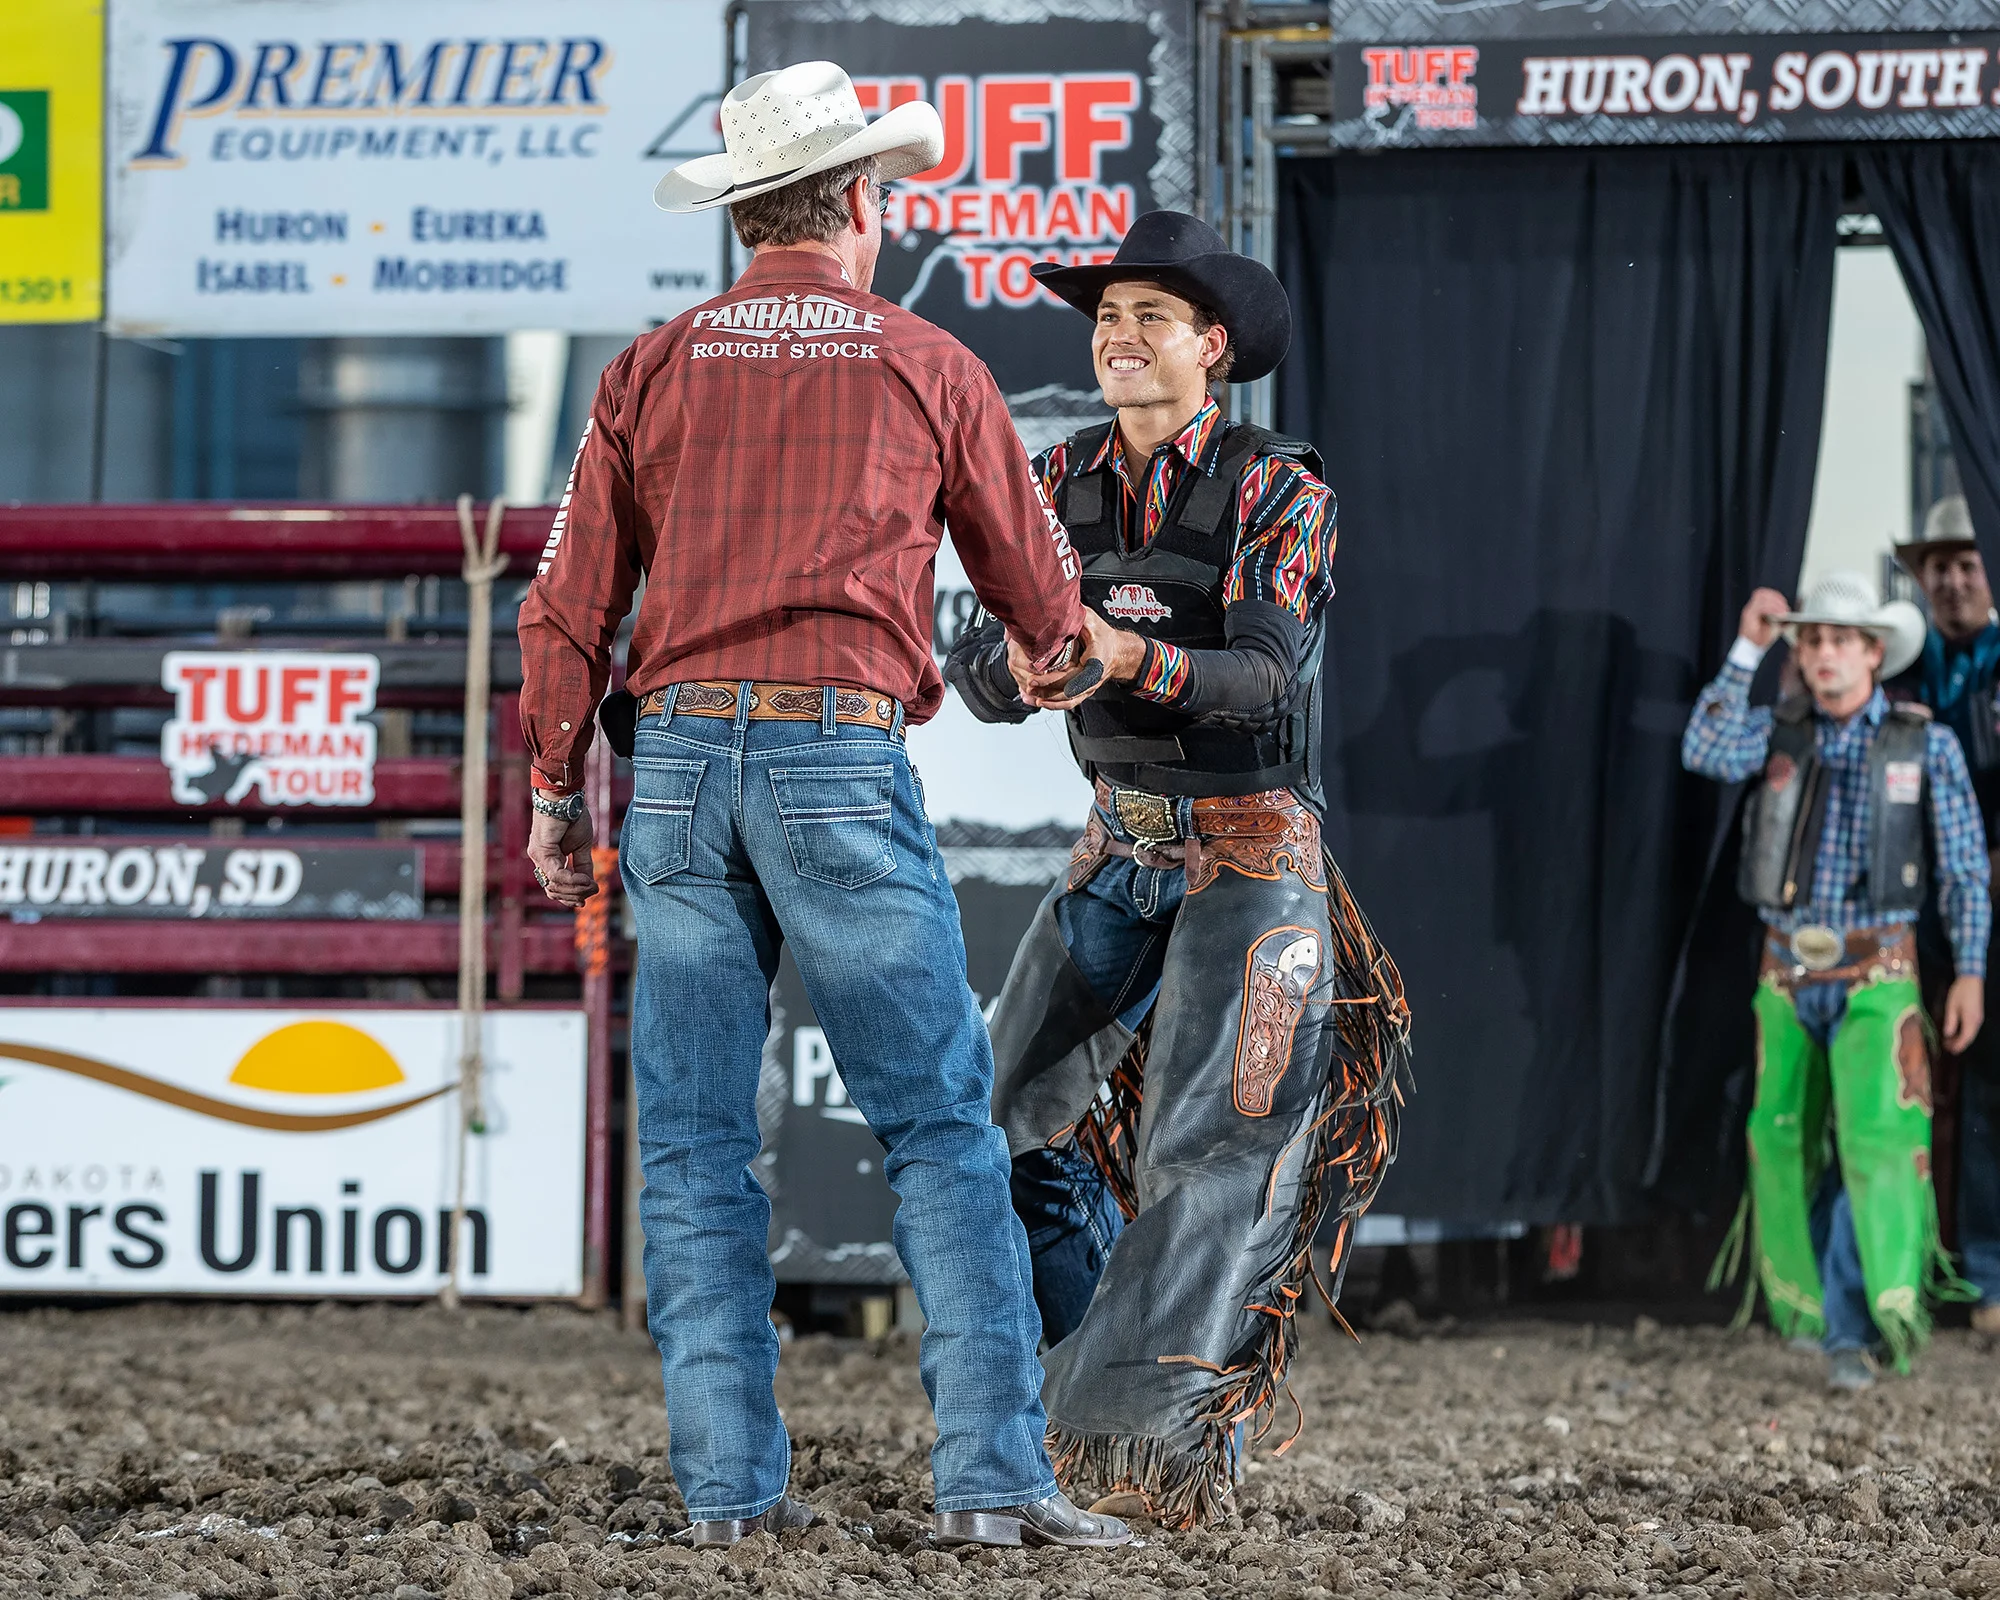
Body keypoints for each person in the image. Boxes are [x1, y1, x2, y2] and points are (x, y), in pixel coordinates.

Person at [517, 61, 1131, 1551]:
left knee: (691, 1144)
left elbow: (564, 608)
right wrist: (1065, 661)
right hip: (835, 756)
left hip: (670, 771)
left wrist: (551, 794)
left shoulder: (647, 369)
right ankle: (992, 1480)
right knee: (936, 1126)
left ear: (745, 215)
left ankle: (731, 1499)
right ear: (861, 204)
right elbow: (1041, 598)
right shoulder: (929, 364)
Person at [945, 212, 1411, 1526]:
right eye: (1106, 316)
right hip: (1123, 850)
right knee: (990, 1131)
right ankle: (1083, 1394)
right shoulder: (1055, 481)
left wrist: (1115, 655)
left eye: (1150, 317)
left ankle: (1149, 1446)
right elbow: (983, 668)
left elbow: (1265, 672)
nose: (1117, 336)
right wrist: (1018, 666)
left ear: (1213, 348)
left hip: (1258, 869)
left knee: (1218, 1155)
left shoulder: (1281, 490)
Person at [1683, 571, 1990, 1389]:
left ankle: (1854, 1323)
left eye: (1838, 640)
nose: (1822, 655)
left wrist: (1970, 972)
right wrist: (1750, 643)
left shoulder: (1927, 743)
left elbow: (1963, 870)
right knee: (1780, 1136)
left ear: (1874, 653)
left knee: (1877, 1145)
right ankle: (1815, 1311)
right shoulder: (1782, 730)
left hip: (1878, 972)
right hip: (1786, 970)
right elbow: (1704, 746)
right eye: (1810, 640)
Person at [1895, 495, 2000, 1335]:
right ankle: (1920, 1268)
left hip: (1986, 906)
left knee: (1992, 1089)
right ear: (1922, 579)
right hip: (1908, 913)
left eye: (1970, 564)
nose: (1958, 580)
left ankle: (1989, 1270)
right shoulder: (1898, 667)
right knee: (1910, 1090)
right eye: (1942, 567)